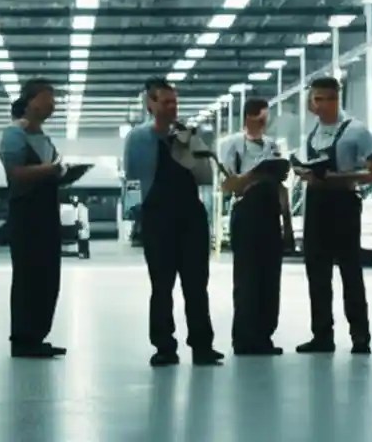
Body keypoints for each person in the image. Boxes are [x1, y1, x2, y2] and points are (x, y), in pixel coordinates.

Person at [123, 78, 223, 367]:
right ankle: (164, 346)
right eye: (165, 102)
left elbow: (205, 175)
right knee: (161, 286)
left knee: (196, 285)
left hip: (191, 217)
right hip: (157, 217)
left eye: (174, 102)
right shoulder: (138, 138)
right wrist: (135, 216)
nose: (171, 107)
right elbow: (132, 179)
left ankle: (202, 346)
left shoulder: (188, 135)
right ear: (150, 104)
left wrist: (188, 146)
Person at [293, 77, 372, 355]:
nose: (317, 105)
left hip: (344, 203)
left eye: (323, 99)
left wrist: (341, 177)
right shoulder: (313, 134)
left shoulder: (356, 132)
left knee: (349, 271)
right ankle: (322, 335)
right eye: (314, 99)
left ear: (335, 99)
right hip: (316, 204)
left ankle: (360, 336)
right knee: (317, 273)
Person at [0, 78, 67, 359]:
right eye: (47, 97)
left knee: (49, 276)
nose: (52, 104)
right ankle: (23, 339)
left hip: (46, 212)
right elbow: (15, 173)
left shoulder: (44, 137)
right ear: (30, 101)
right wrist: (52, 171)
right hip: (27, 214)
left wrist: (59, 173)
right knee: (29, 276)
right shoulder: (14, 135)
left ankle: (38, 335)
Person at [220, 98, 289, 355]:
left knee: (271, 278)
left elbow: (282, 187)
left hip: (271, 215)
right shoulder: (233, 146)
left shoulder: (273, 146)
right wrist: (255, 175)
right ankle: (244, 338)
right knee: (248, 278)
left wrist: (288, 224)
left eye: (266, 118)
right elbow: (228, 186)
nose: (264, 123)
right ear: (248, 117)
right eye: (260, 118)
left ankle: (265, 336)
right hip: (246, 212)